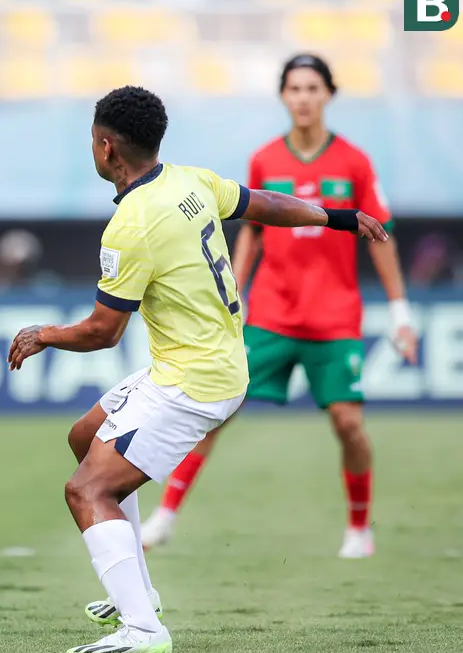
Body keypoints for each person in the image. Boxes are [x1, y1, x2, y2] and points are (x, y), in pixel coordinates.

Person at [6, 85, 387, 653]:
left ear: (107, 148)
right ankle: (136, 591)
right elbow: (264, 202)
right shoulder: (191, 179)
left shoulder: (131, 225)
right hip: (205, 363)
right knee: (85, 438)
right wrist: (335, 216)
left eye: (93, 140)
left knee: (86, 490)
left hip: (194, 383)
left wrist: (42, 335)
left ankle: (143, 626)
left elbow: (102, 333)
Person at [141, 54, 418, 560]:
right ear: (283, 96)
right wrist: (234, 295)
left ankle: (359, 528)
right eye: (294, 88)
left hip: (334, 317)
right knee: (214, 413)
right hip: (270, 312)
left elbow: (380, 237)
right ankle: (165, 515)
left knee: (348, 424)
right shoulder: (266, 159)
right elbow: (251, 232)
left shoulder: (353, 162)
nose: (304, 97)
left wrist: (400, 312)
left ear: (328, 94)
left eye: (313, 88)